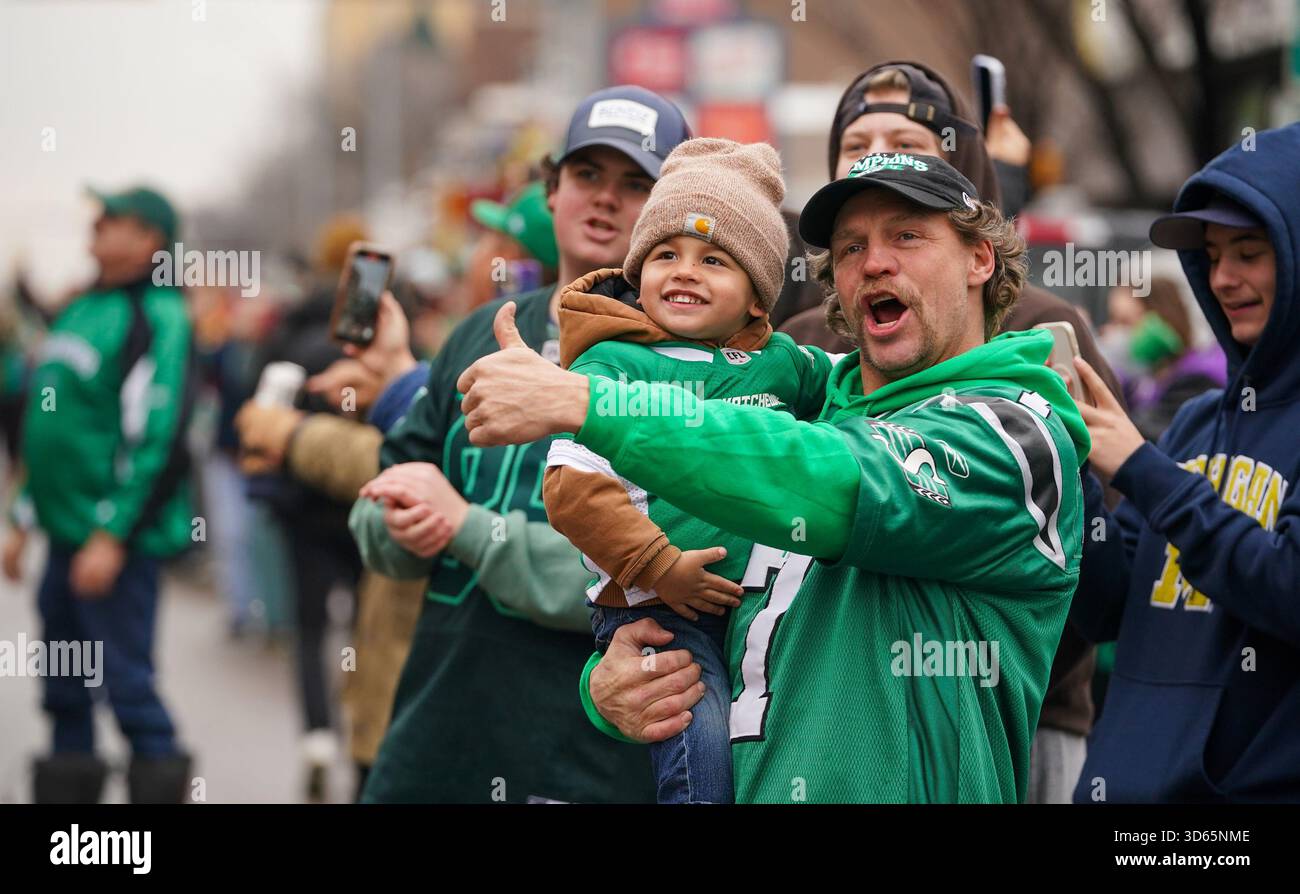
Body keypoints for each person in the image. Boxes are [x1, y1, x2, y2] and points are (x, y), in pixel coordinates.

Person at [457, 153, 1090, 803]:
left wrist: (588, 403)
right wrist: (614, 683)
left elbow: (824, 476)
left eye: (906, 235)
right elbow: (730, 618)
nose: (873, 262)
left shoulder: (1015, 433)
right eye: (849, 247)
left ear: (980, 259)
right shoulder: (805, 405)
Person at [780, 60, 1124, 801]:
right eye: (855, 141)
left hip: (1019, 709)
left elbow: (1094, 560)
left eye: (904, 140)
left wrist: (986, 665)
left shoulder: (1042, 332)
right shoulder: (803, 349)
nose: (875, 262)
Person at [347, 85, 691, 803]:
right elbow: (383, 498)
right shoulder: (481, 329)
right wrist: (397, 523)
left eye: (636, 184)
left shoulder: (688, 365)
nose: (604, 200)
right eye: (587, 176)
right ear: (552, 188)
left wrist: (465, 526)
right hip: (435, 738)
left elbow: (655, 574)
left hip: (583, 759)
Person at [544, 138, 831, 802]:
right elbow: (570, 490)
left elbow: (855, 390)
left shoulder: (784, 364)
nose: (685, 271)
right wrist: (658, 565)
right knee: (700, 752)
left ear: (759, 297)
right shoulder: (611, 365)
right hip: (659, 612)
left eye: (714, 260)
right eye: (666, 254)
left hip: (764, 610)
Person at [1069, 123, 1300, 803]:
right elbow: (1109, 610)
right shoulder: (1199, 421)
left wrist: (1141, 468)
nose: (1224, 278)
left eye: (1250, 253)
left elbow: (1288, 587)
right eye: (1213, 255)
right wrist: (1075, 477)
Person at [3, 186, 195, 803]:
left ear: (149, 240)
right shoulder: (81, 308)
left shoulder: (160, 316)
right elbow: (47, 426)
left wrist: (113, 535)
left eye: (113, 219)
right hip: (64, 542)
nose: (97, 225)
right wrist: (21, 517)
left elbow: (159, 441)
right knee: (62, 689)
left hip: (116, 547)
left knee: (127, 687)